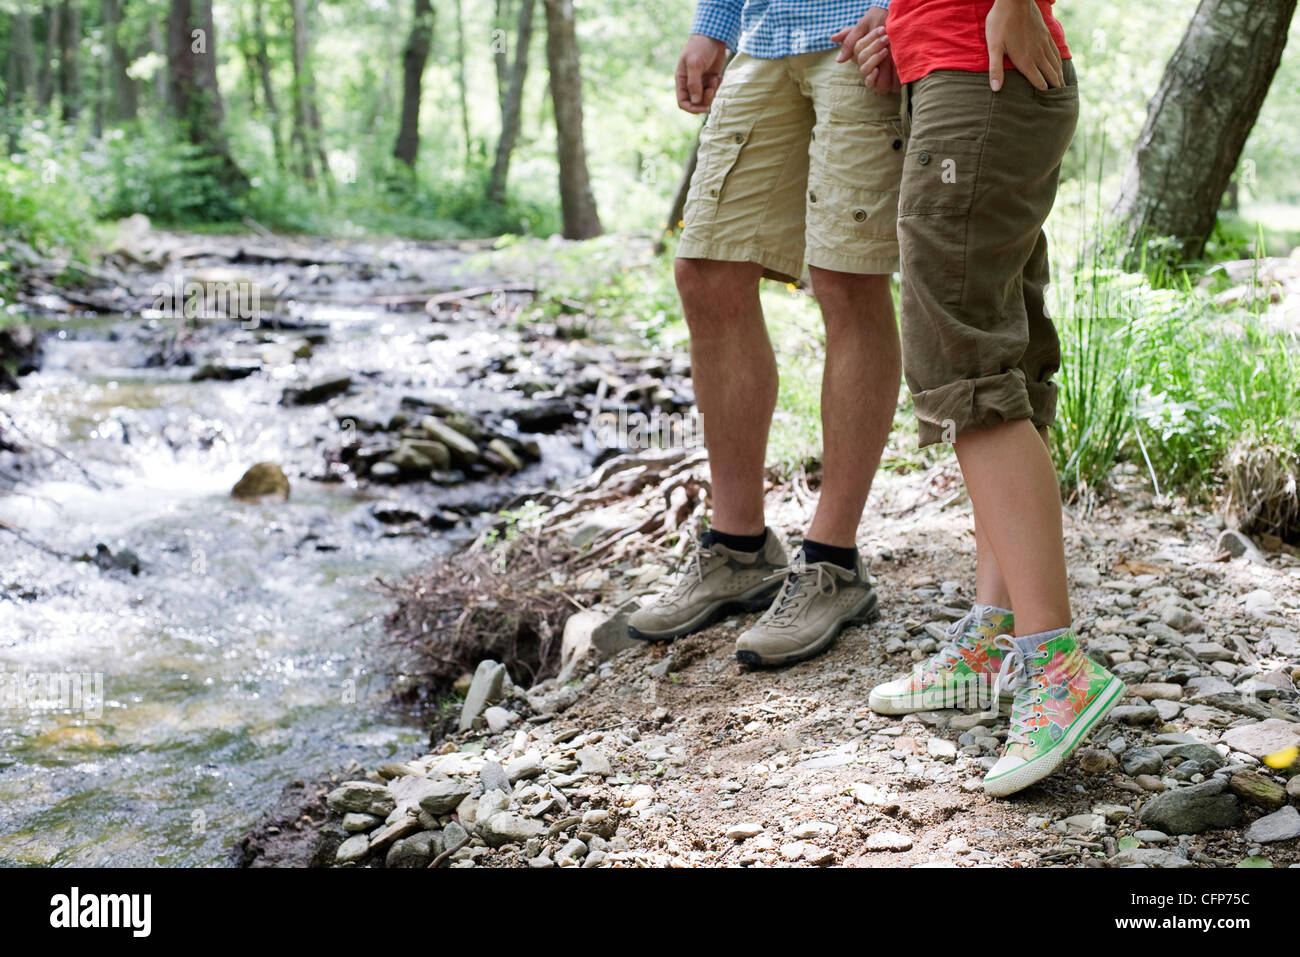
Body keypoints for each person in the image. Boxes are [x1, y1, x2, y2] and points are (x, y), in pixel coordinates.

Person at [856, 0, 1125, 796]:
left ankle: (1057, 665)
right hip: (967, 73)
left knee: (962, 370)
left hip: (980, 73)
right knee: (999, 360)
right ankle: (992, 639)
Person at [628, 0, 906, 668]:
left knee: (846, 275)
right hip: (764, 33)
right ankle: (737, 548)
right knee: (706, 268)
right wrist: (714, 24)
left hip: (860, 28)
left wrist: (910, 11)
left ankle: (833, 564)